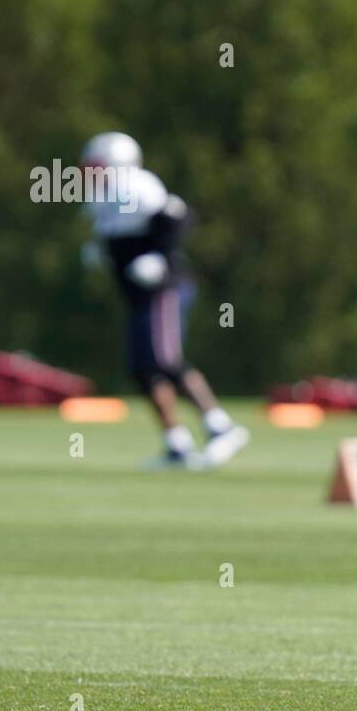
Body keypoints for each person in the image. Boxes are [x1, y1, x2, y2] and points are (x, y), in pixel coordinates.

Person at [80, 132, 248, 470]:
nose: (89, 172)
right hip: (137, 293)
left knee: (165, 360)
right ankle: (177, 444)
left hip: (164, 288)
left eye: (96, 165)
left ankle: (220, 426)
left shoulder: (137, 186)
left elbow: (178, 216)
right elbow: (118, 237)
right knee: (142, 369)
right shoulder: (101, 197)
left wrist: (159, 255)